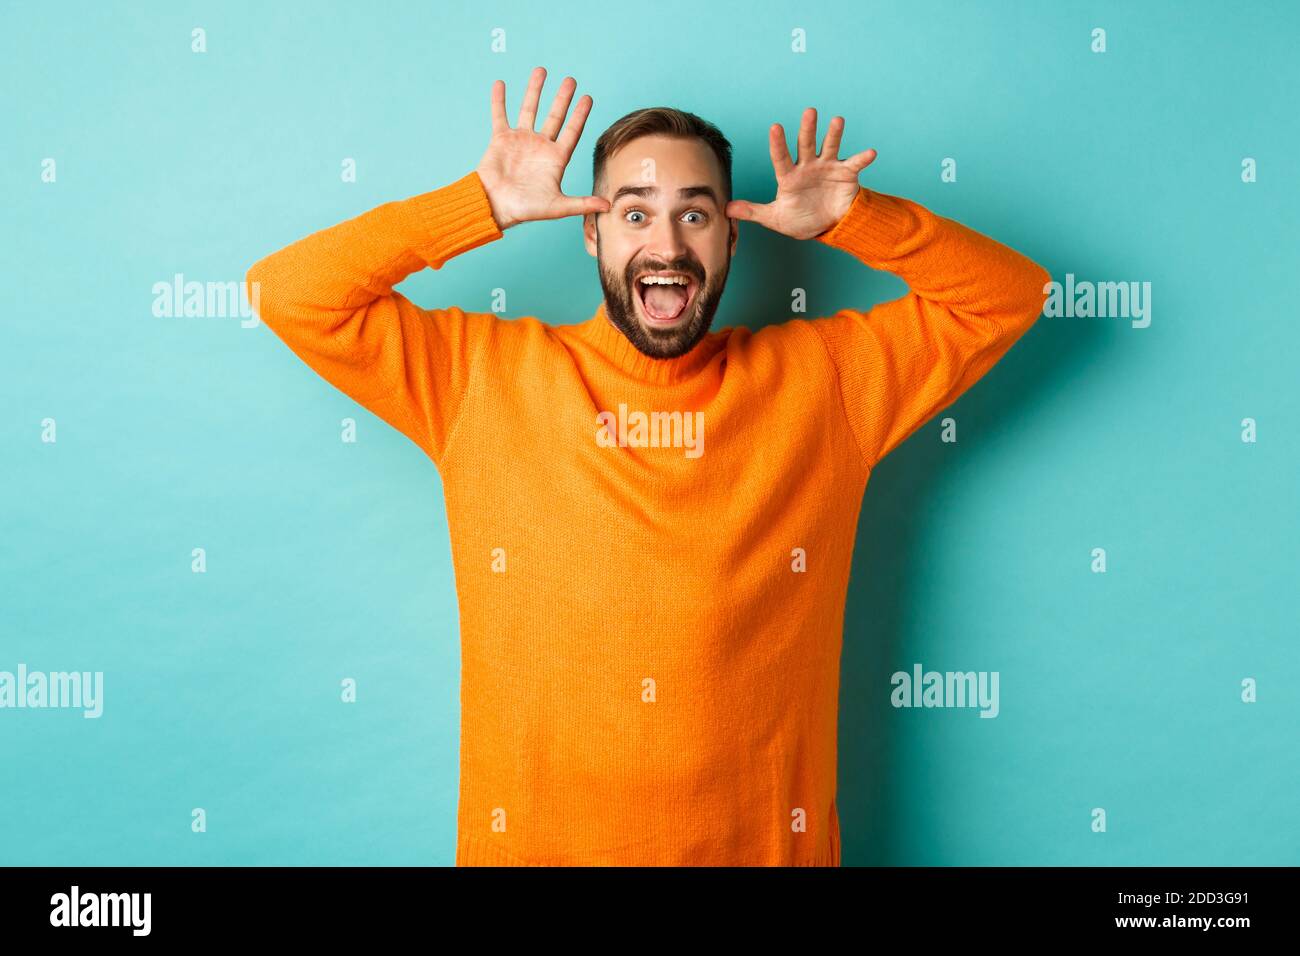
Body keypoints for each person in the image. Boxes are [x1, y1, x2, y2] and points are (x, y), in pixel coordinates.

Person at [245, 66, 1051, 866]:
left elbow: (1009, 294)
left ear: (734, 234)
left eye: (694, 215)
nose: (666, 246)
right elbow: (290, 293)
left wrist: (854, 218)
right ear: (591, 232)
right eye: (635, 213)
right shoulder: (478, 380)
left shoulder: (827, 384)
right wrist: (479, 207)